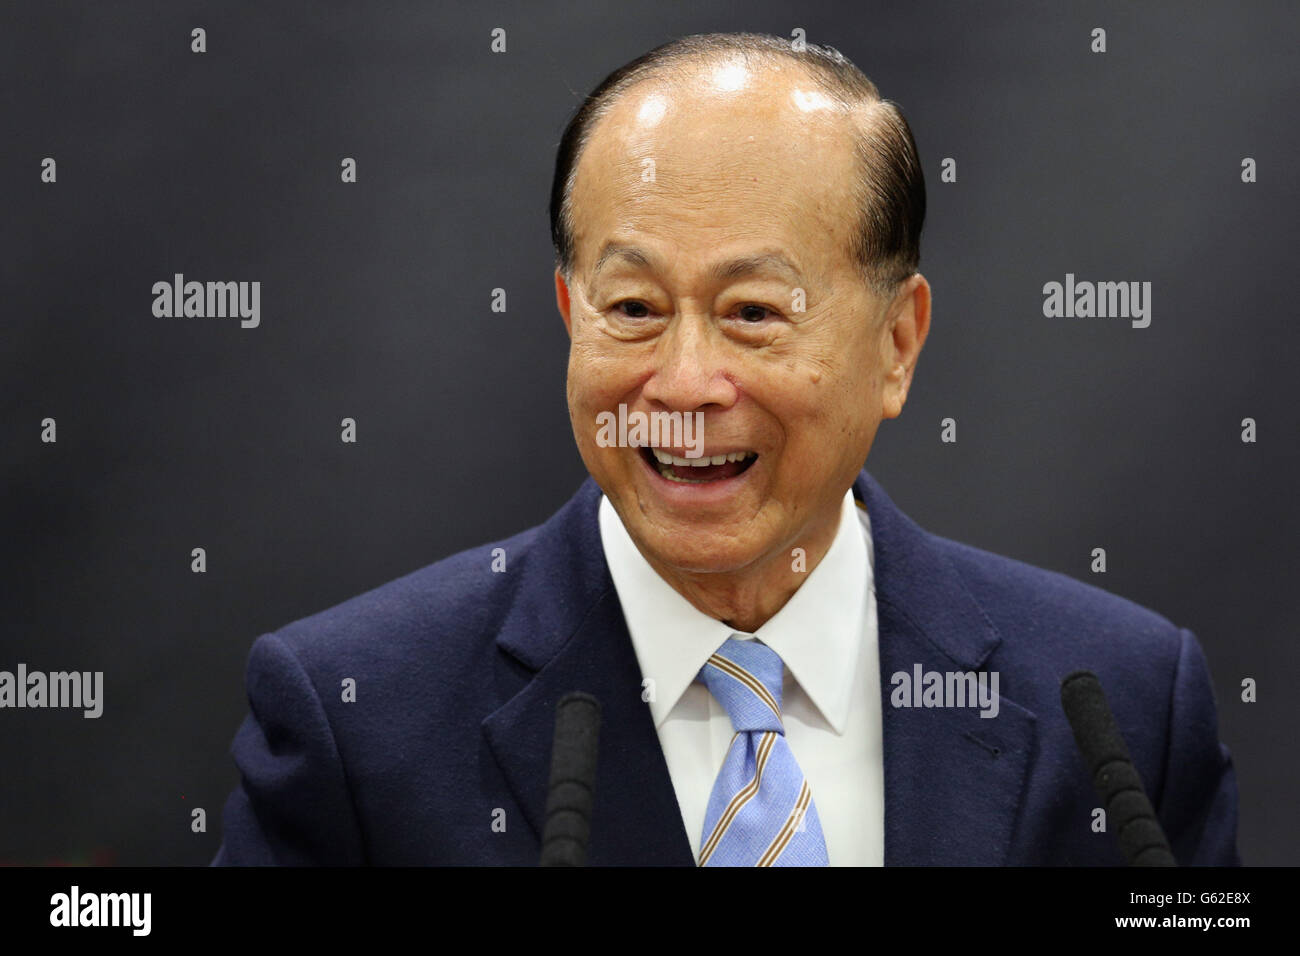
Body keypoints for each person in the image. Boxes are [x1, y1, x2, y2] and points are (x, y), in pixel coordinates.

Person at [212, 32, 1239, 866]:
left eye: (751, 311)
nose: (685, 381)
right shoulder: (359, 716)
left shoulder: (1117, 704)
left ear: (896, 343)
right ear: (570, 313)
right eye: (633, 307)